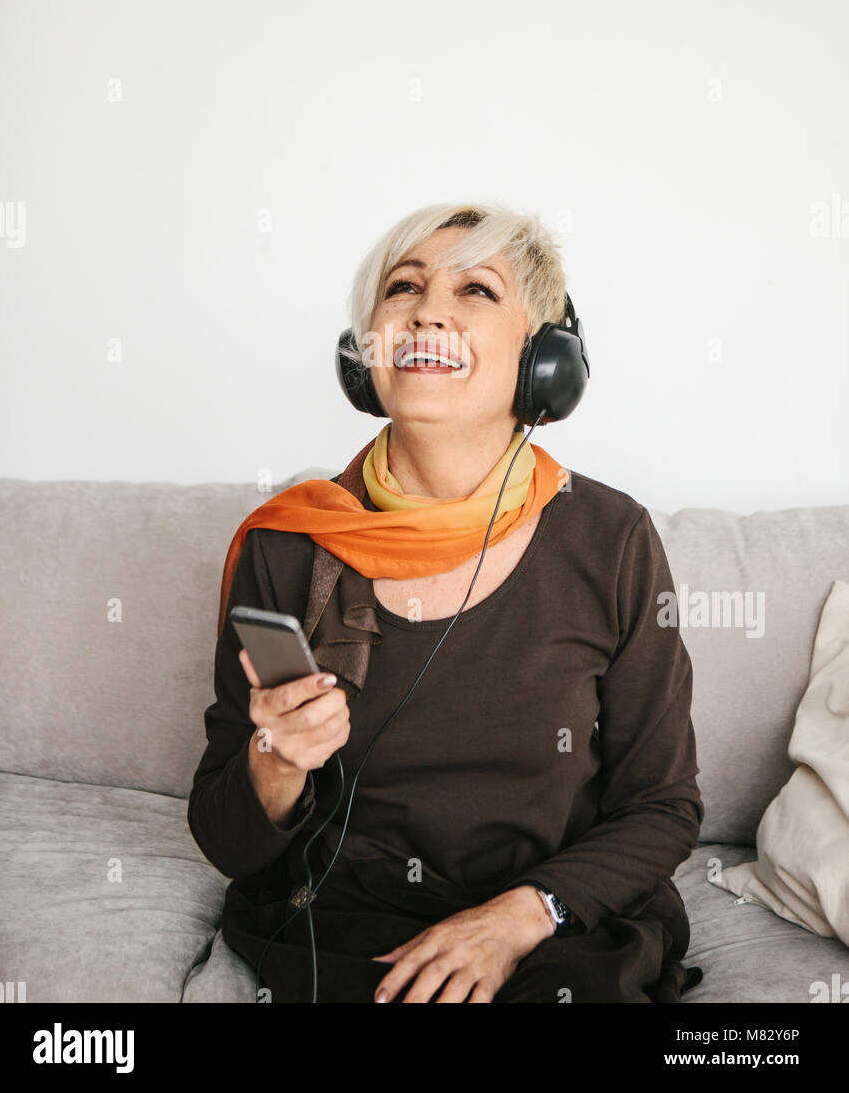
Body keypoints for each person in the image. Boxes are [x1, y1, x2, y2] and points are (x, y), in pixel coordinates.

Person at [188, 201, 705, 1003]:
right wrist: (278, 759)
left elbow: (662, 804)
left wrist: (519, 918)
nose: (428, 309)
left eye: (476, 291)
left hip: (553, 925)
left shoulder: (612, 539)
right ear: (366, 354)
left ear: (543, 360)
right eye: (403, 288)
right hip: (348, 921)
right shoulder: (286, 545)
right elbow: (226, 837)